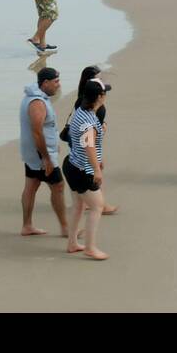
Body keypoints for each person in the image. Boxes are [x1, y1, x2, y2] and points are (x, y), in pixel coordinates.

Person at [63, 80, 109, 260]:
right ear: (99, 97)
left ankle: (72, 243)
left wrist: (98, 159)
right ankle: (90, 247)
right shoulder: (89, 120)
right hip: (83, 169)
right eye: (104, 93)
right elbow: (89, 145)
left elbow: (86, 144)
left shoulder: (80, 111)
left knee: (78, 206)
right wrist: (97, 169)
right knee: (97, 206)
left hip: (72, 164)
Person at [20, 67, 68, 237]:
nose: (58, 85)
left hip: (35, 153)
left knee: (31, 185)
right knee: (58, 186)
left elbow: (45, 130)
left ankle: (27, 226)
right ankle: (65, 228)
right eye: (56, 82)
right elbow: (37, 132)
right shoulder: (37, 103)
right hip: (40, 155)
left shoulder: (35, 97)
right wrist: (47, 158)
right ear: (45, 83)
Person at [71, 66, 118, 215]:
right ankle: (100, 204)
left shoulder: (83, 99)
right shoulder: (91, 106)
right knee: (92, 171)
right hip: (87, 143)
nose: (102, 79)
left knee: (84, 169)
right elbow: (89, 136)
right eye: (98, 77)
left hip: (80, 143)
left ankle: (85, 202)